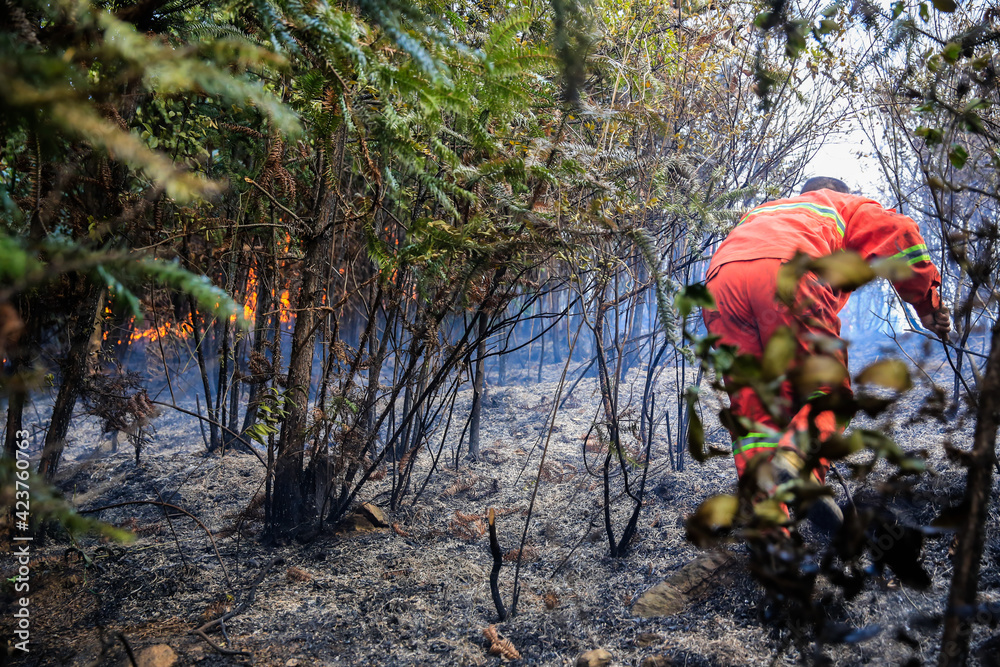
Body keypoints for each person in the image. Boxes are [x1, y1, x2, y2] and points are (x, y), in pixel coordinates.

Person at [701, 176, 951, 532]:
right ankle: (796, 460)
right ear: (839, 192)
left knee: (754, 409)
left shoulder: (765, 211)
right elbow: (901, 233)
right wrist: (927, 303)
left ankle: (770, 528)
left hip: (721, 282)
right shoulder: (842, 204)